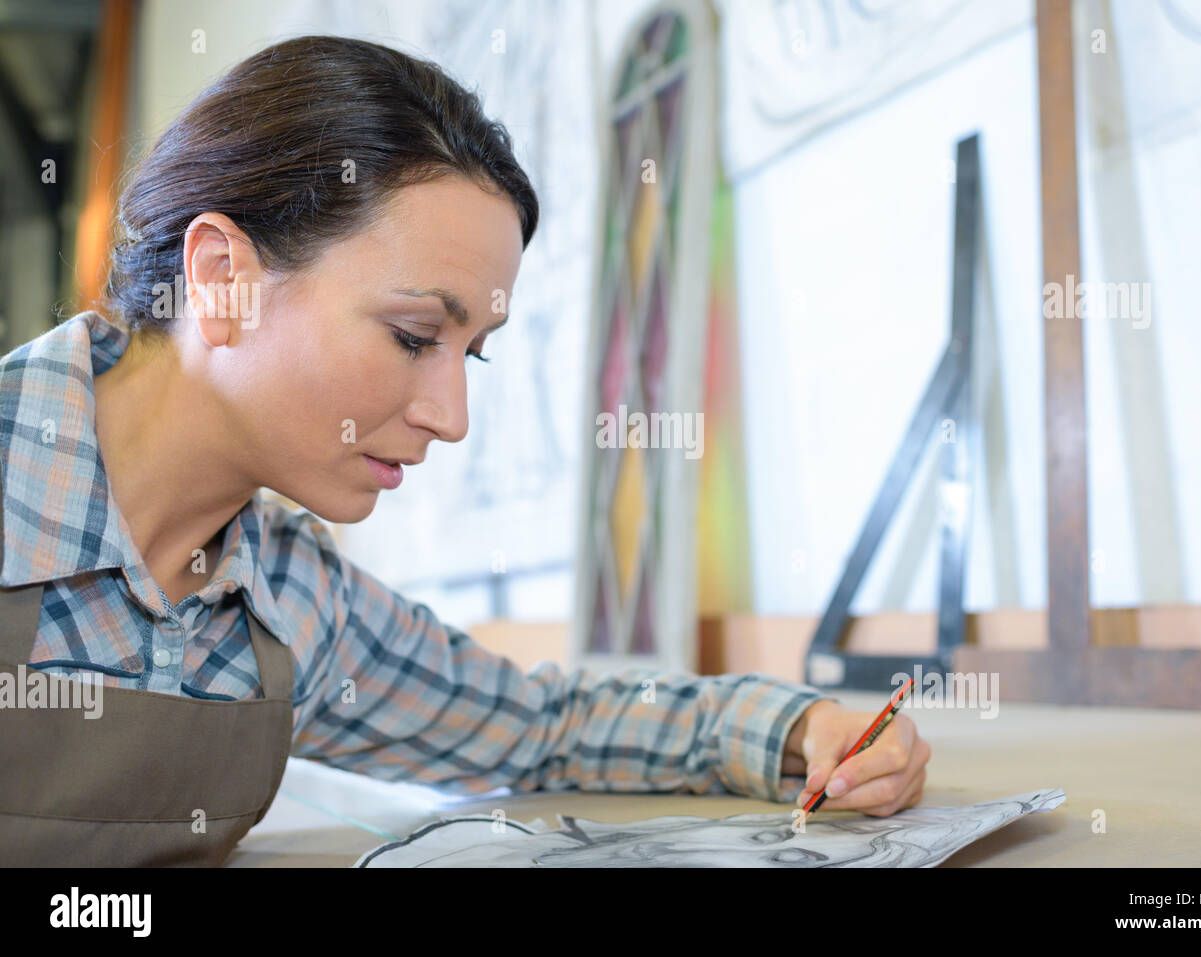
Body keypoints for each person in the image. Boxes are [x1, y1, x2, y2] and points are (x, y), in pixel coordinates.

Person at [0, 34, 929, 866]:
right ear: (222, 278)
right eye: (413, 335)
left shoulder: (290, 599)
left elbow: (543, 728)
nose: (452, 417)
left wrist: (799, 726)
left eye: (471, 353)